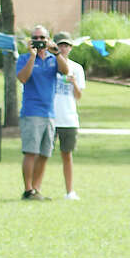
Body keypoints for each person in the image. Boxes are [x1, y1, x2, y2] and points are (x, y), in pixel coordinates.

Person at [16, 25, 69, 201]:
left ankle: (37, 189)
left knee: (45, 153)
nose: (39, 41)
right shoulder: (24, 58)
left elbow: (65, 71)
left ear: (47, 39)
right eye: (35, 38)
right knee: (31, 152)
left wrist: (56, 53)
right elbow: (23, 78)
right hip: (32, 112)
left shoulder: (53, 59)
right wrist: (32, 56)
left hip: (49, 113)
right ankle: (28, 189)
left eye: (42, 38)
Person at [52, 32, 86, 200]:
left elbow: (79, 96)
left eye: (66, 45)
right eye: (60, 45)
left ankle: (70, 191)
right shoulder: (49, 65)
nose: (63, 48)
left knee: (67, 155)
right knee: (42, 155)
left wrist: (74, 84)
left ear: (70, 48)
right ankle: (35, 189)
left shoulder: (77, 68)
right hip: (50, 116)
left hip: (69, 118)